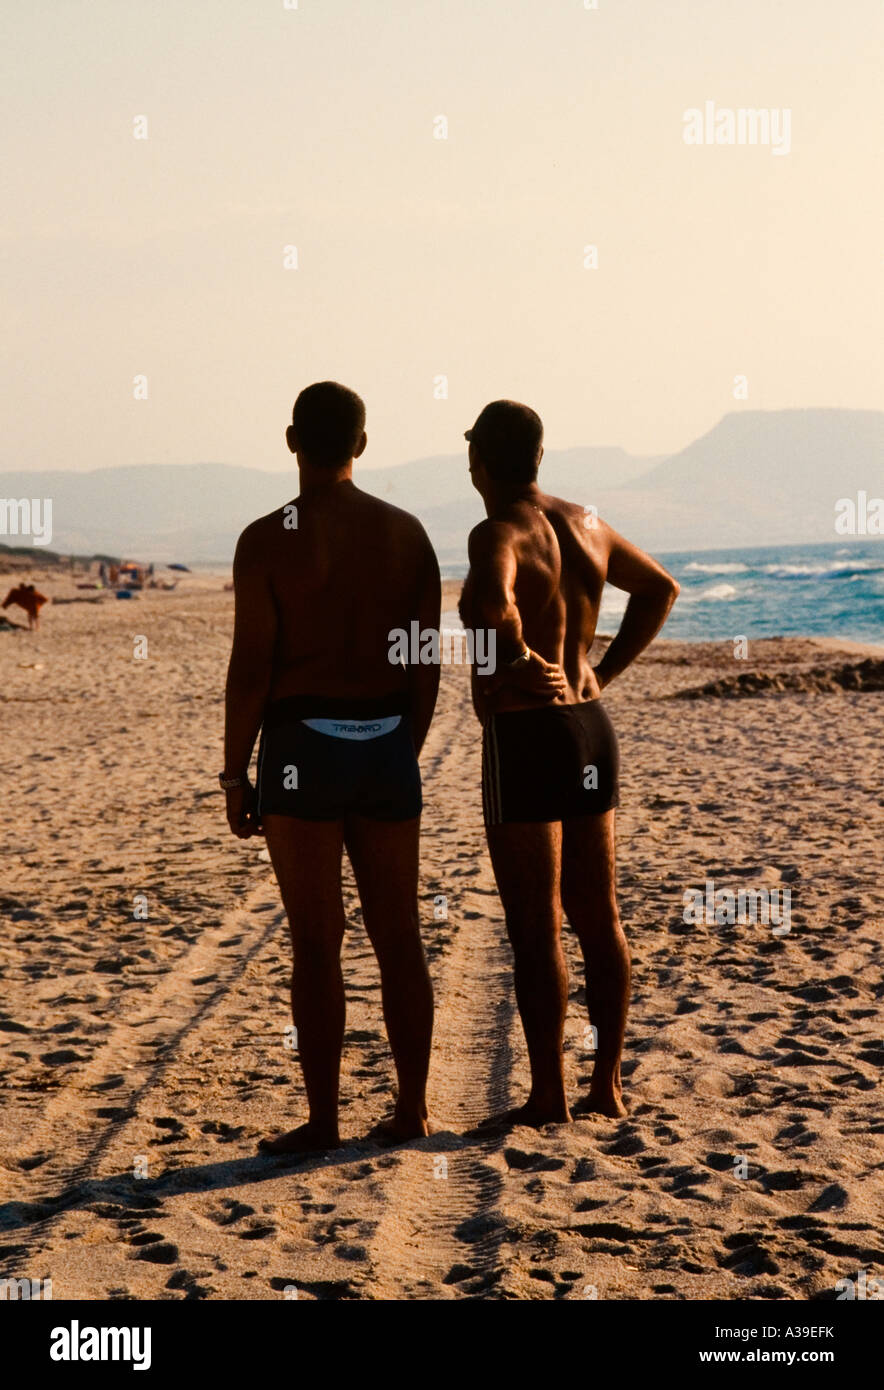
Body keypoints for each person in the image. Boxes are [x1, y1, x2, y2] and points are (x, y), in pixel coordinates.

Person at [222, 382, 441, 1153]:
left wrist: (234, 773)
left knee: (316, 942)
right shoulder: (406, 533)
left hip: (299, 746)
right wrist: (395, 749)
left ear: (291, 441)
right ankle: (412, 1110)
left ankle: (323, 1122)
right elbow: (425, 666)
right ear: (363, 444)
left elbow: (252, 666)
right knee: (400, 935)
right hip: (385, 741)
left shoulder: (266, 538)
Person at [458, 400, 679, 1125]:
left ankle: (549, 1095)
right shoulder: (586, 522)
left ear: (479, 464)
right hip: (590, 726)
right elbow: (658, 587)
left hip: (527, 735)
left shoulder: (498, 529)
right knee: (598, 914)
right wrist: (601, 673)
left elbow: (489, 600)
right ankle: (607, 1085)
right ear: (540, 458)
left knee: (535, 924)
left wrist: (519, 658)